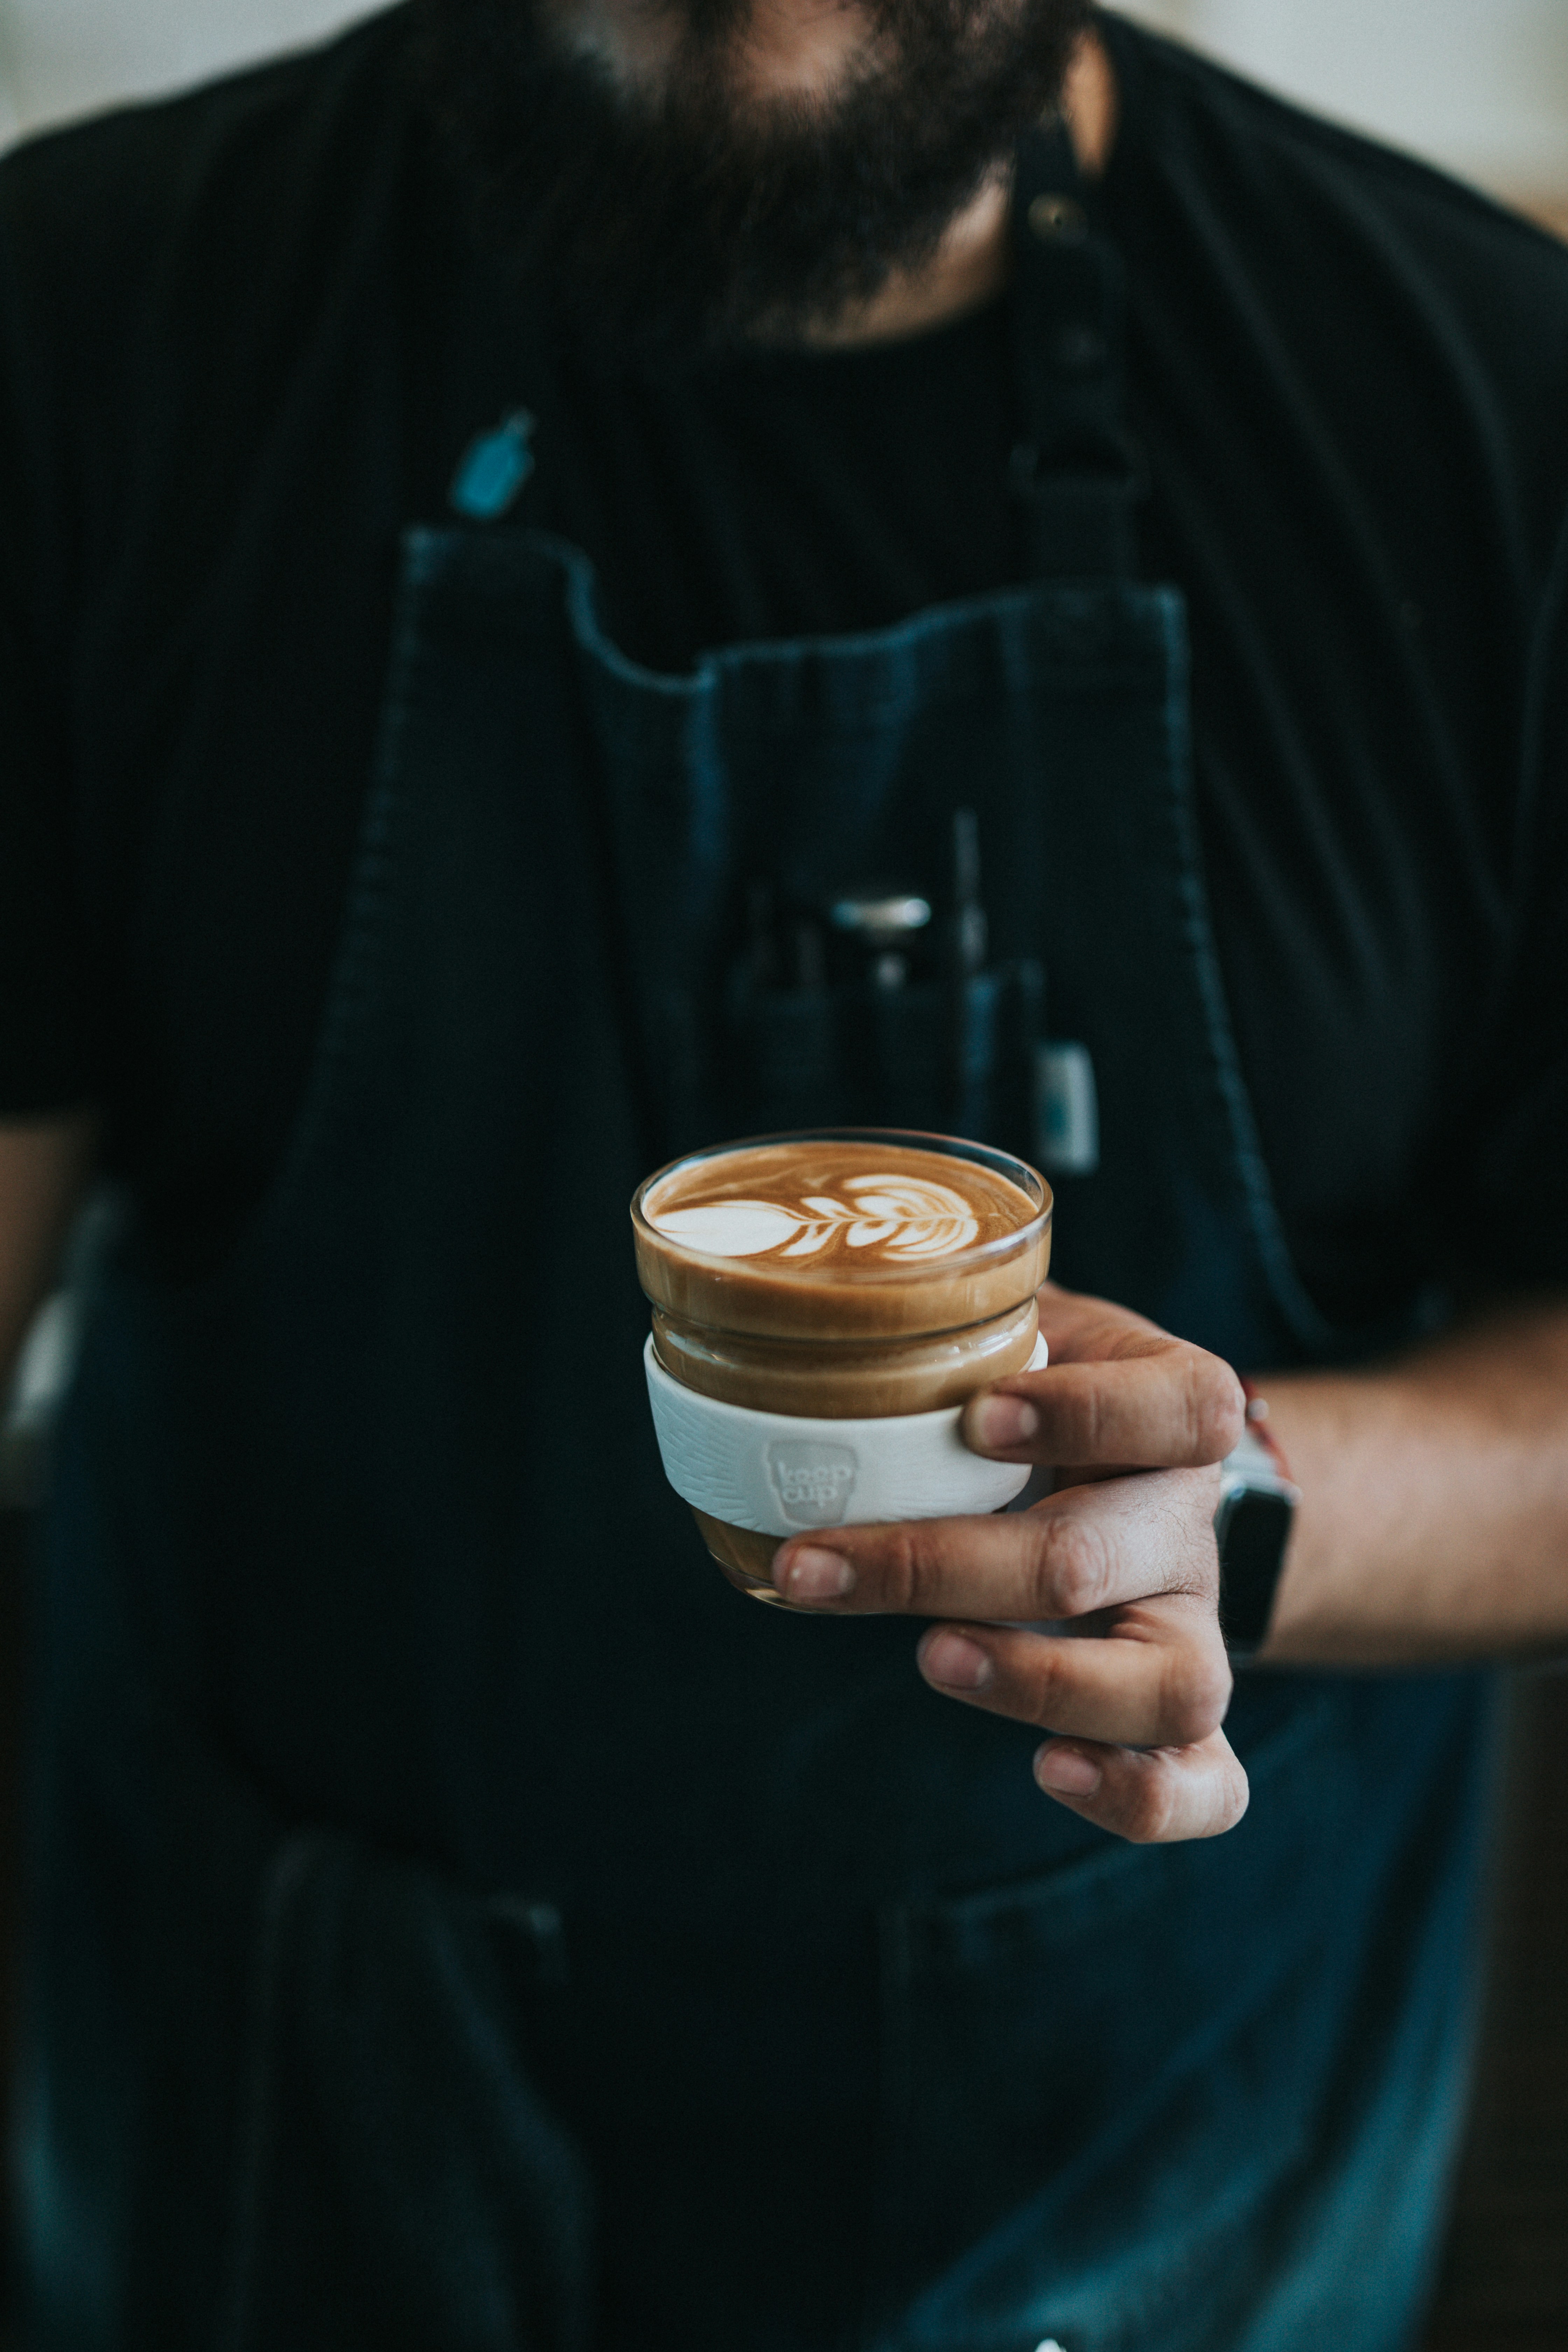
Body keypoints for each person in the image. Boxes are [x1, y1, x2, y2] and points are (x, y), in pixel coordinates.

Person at [0, 0, 1565, 2343]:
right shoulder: (84, 326)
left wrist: (1240, 1498)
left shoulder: (1487, 400)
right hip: (265, 2151)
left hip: (1167, 2189)